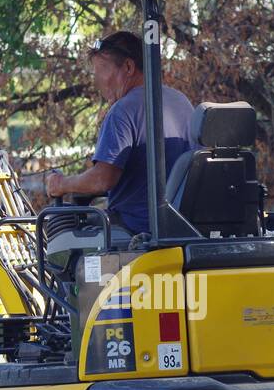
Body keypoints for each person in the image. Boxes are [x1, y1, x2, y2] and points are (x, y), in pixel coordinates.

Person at [46, 31, 194, 238]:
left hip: (137, 229)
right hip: (183, 226)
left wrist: (60, 184)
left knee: (62, 245)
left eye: (101, 71)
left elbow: (102, 180)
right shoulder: (181, 101)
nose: (97, 81)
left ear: (128, 67)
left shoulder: (123, 111)